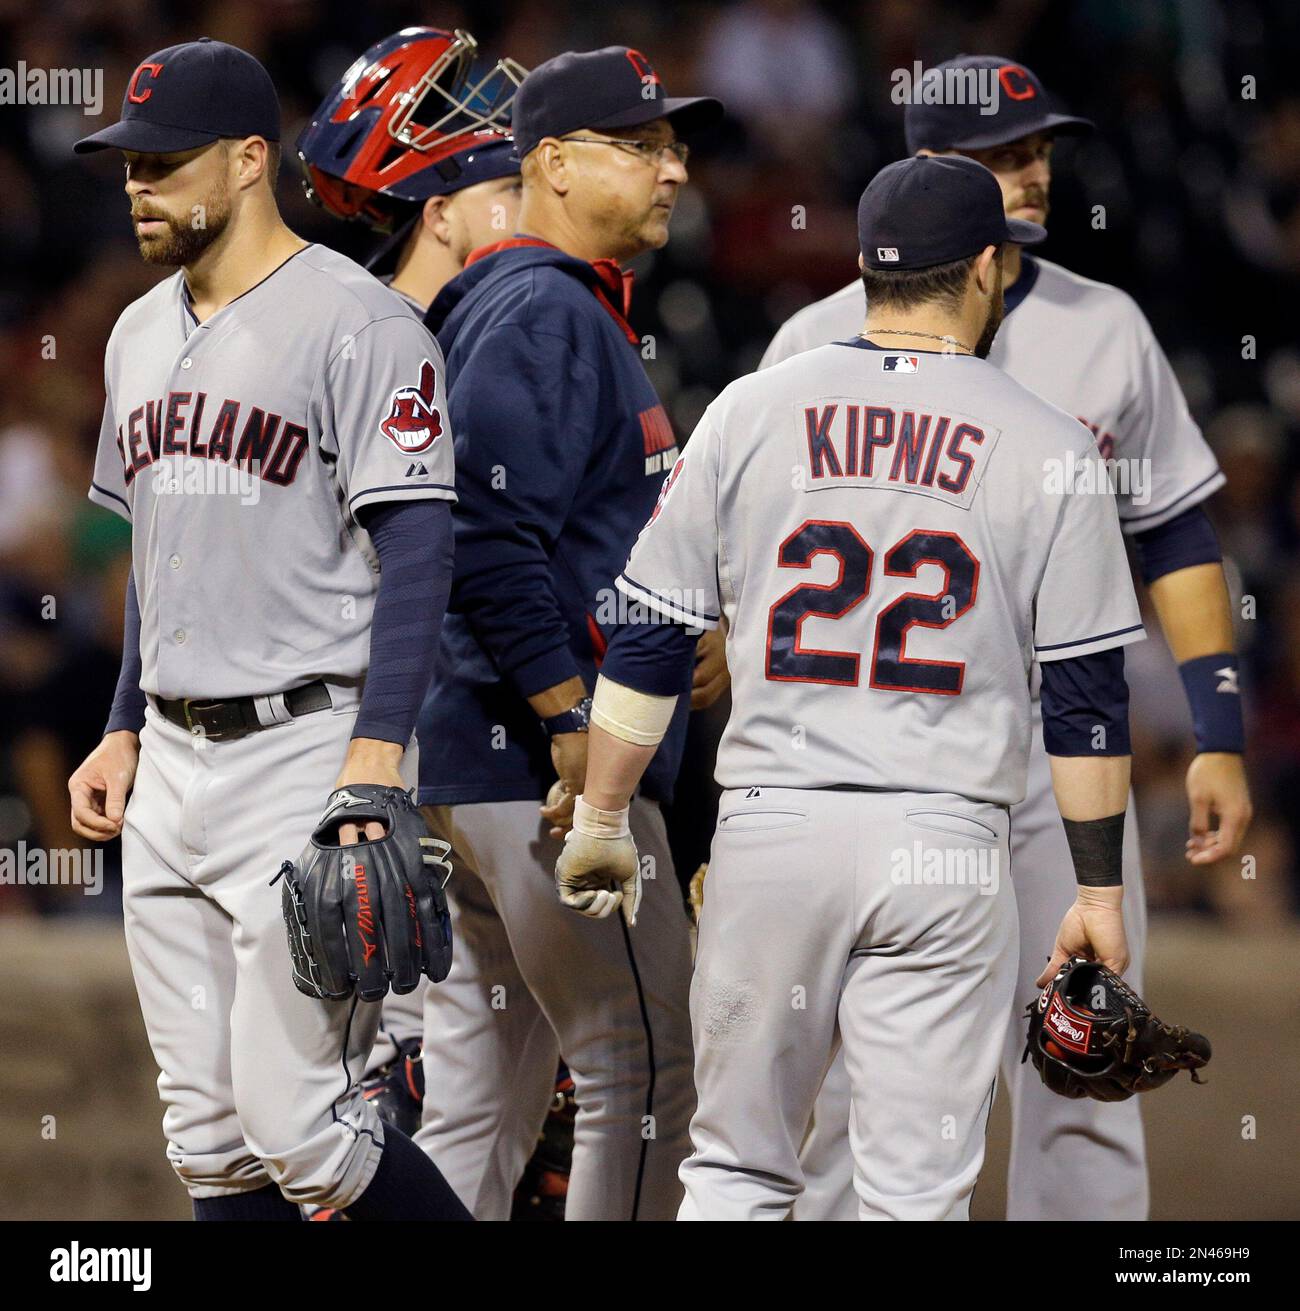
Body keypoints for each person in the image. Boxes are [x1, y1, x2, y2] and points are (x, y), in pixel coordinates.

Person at [553, 154, 1145, 1220]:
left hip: (773, 830)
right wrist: (1098, 896)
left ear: (867, 268)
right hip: (946, 842)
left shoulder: (748, 408)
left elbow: (650, 634)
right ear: (986, 268)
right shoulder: (1052, 445)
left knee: (734, 1170)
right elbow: (1086, 701)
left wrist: (602, 811)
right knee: (915, 1193)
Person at [761, 54, 1252, 1222]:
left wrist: (1218, 729)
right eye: (1001, 154)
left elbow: (1175, 535)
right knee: (857, 1072)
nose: (1032, 172)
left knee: (1086, 1048)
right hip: (876, 753)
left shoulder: (1103, 324)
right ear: (929, 165)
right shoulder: (813, 338)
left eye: (1039, 149)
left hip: (1056, 755)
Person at [67, 38, 468, 1220]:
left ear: (250, 161)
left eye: (165, 163)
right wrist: (120, 725)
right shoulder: (135, 331)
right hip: (168, 758)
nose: (138, 185)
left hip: (306, 746)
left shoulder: (359, 321)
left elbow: (420, 550)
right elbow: (160, 551)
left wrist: (376, 756)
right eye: (130, 164)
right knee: (208, 1138)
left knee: (308, 1130)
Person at [412, 46, 722, 1221]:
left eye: (672, 145)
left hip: (475, 765)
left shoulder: (525, 303)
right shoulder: (543, 309)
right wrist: (568, 715)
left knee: (479, 1107)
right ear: (549, 163)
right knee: (642, 1071)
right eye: (637, 146)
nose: (671, 169)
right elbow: (483, 536)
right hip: (547, 771)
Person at [296, 23, 524, 1143]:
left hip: (435, 737)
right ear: (437, 211)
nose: (527, 201)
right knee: (376, 1091)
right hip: (368, 739)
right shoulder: (354, 338)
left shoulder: (474, 319)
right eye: (505, 185)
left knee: (469, 1091)